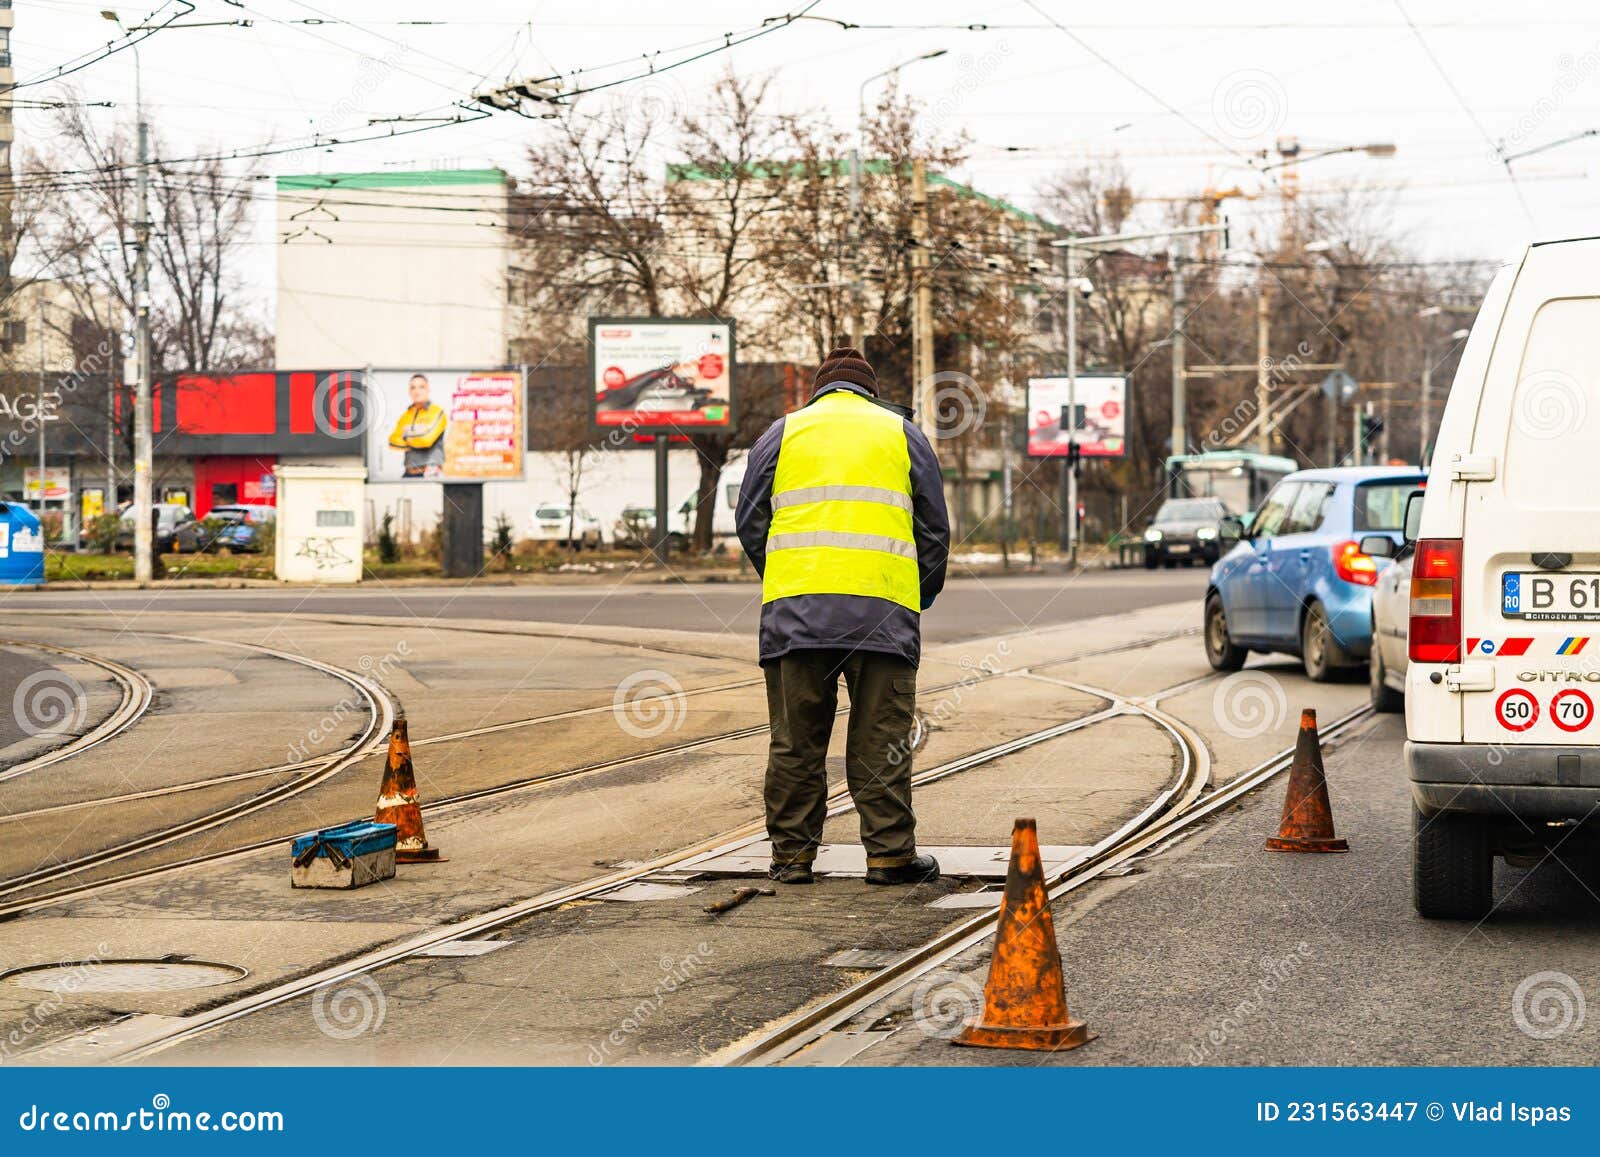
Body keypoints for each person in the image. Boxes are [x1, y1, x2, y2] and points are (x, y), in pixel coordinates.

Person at [736, 347, 950, 886]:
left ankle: (791, 857)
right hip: (883, 616)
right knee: (881, 738)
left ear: (819, 391)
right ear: (870, 392)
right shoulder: (902, 434)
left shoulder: (782, 433)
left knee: (795, 741)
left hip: (796, 616)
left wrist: (786, 573)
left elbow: (749, 518)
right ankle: (889, 856)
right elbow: (934, 529)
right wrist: (913, 594)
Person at [388, 373, 447, 478]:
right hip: (409, 472)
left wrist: (406, 435)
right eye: (413, 387)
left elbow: (426, 440)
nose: (417, 391)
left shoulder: (437, 412)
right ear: (409, 391)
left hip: (430, 472)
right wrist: (418, 433)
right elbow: (393, 441)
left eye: (421, 387)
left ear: (428, 389)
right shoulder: (406, 415)